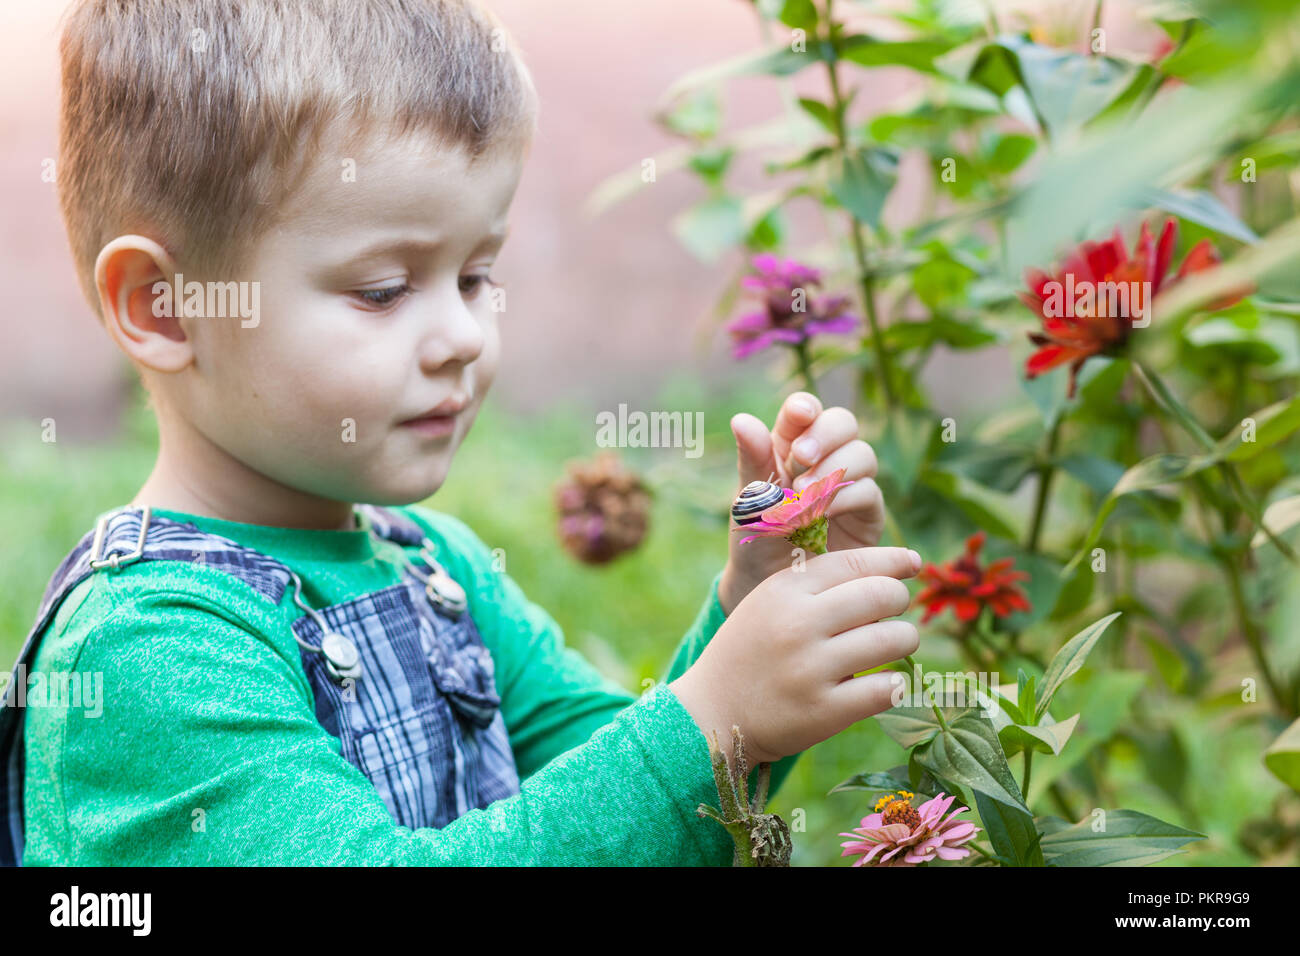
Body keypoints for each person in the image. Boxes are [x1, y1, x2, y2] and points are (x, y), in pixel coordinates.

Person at [0, 0, 921, 865]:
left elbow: (639, 817)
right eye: (384, 288)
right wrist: (717, 714)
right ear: (164, 309)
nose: (464, 336)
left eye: (477, 275)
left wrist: (746, 621)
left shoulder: (441, 571)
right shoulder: (148, 648)